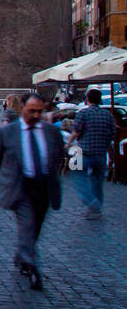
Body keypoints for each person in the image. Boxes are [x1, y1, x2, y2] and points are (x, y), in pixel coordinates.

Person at [0, 93, 64, 290]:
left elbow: (58, 156)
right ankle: (32, 266)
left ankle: (22, 254)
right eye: (31, 110)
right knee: (27, 224)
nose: (35, 115)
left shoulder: (51, 132)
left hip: (43, 187)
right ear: (22, 107)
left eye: (39, 111)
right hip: (20, 187)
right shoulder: (8, 132)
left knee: (35, 227)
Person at [67, 88, 115, 219]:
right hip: (101, 154)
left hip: (84, 152)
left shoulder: (83, 113)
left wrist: (68, 143)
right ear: (100, 100)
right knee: (97, 183)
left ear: (87, 99)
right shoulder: (108, 115)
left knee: (77, 176)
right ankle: (96, 209)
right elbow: (112, 134)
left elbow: (76, 131)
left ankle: (92, 204)